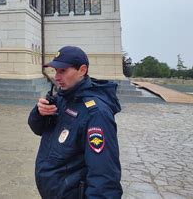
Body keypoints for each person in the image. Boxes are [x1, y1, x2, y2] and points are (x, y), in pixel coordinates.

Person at [28, 46, 123, 199]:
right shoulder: (61, 98)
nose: (57, 77)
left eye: (63, 71)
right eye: (56, 71)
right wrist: (39, 113)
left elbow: (104, 175)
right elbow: (37, 129)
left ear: (82, 70)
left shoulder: (96, 113)